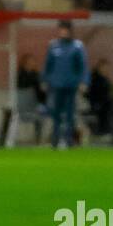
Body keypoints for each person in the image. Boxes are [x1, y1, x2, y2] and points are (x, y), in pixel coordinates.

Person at [42, 19, 88, 149]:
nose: (63, 32)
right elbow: (48, 65)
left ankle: (69, 139)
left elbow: (83, 66)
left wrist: (83, 81)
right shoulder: (54, 45)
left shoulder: (77, 46)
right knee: (55, 113)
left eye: (65, 30)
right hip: (56, 85)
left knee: (70, 113)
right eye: (61, 29)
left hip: (71, 85)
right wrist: (44, 79)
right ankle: (55, 140)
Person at [15, 53, 47, 145]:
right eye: (30, 61)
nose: (33, 63)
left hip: (37, 104)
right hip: (25, 105)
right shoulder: (20, 75)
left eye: (33, 61)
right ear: (25, 63)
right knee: (40, 113)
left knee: (43, 111)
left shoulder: (37, 75)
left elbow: (41, 93)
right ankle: (38, 139)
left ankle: (40, 138)